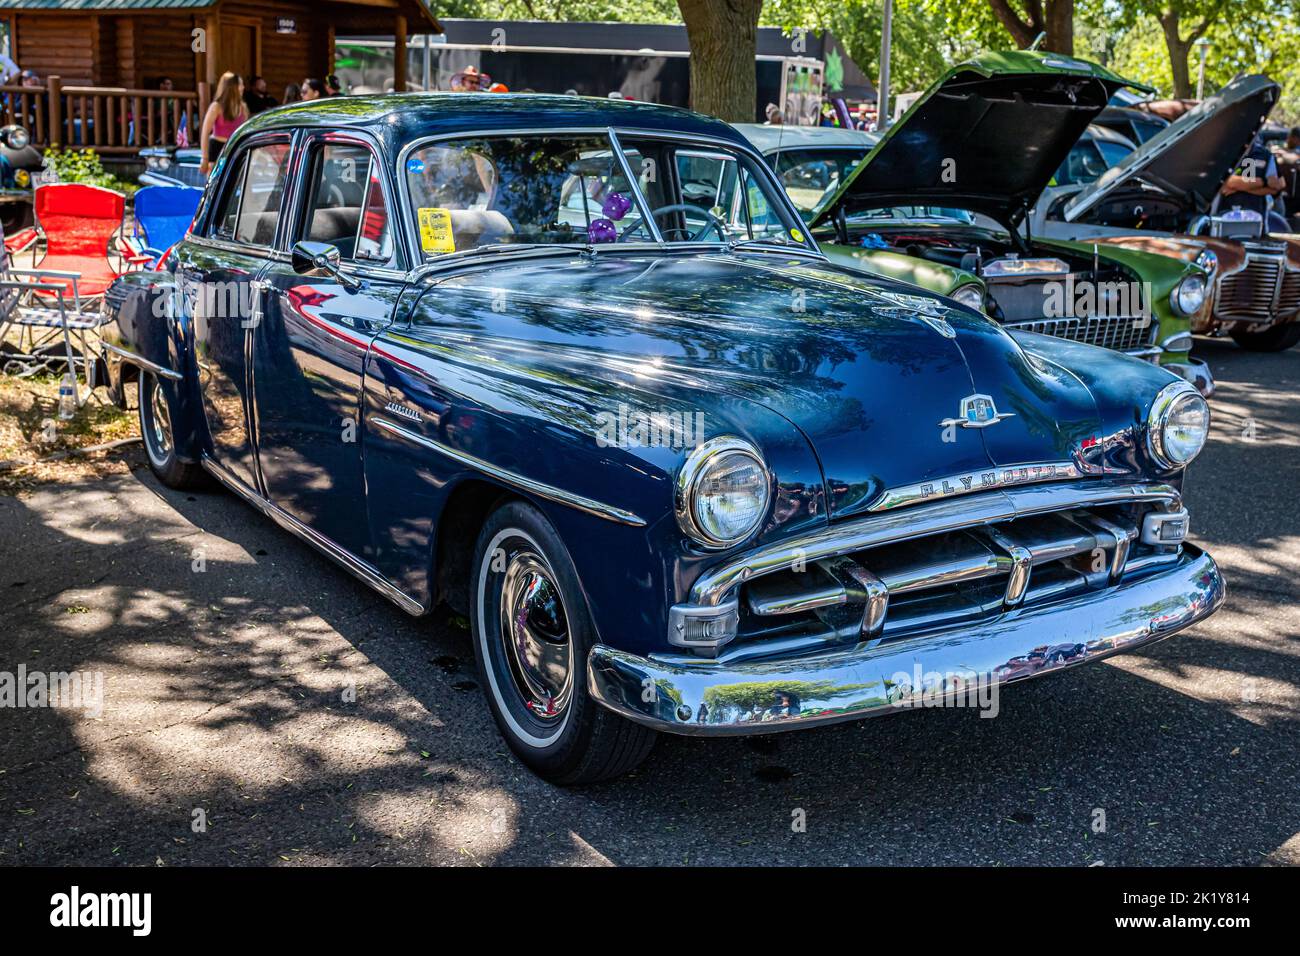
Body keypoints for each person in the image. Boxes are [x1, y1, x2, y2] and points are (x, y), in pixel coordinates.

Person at [1218, 135, 1289, 234]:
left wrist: (1239, 187)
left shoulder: (1264, 155)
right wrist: (1264, 181)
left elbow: (1278, 186)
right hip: (1224, 218)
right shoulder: (1223, 151)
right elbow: (1226, 183)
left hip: (1256, 221)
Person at [199, 71, 247, 175]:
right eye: (240, 84)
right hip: (217, 149)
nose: (243, 87)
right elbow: (205, 132)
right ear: (232, 87)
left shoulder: (243, 107)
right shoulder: (216, 106)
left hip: (235, 148)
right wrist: (205, 158)